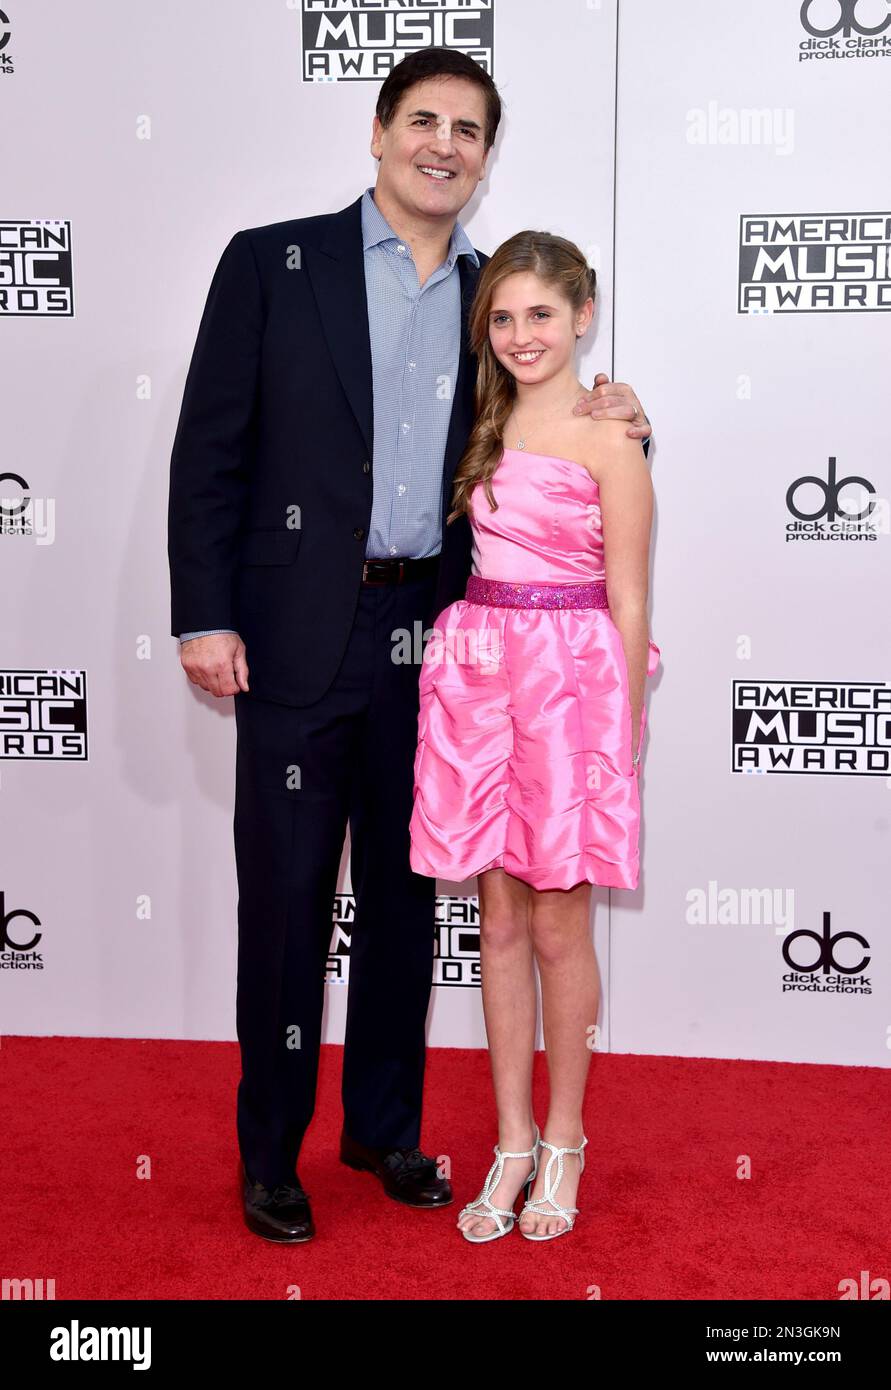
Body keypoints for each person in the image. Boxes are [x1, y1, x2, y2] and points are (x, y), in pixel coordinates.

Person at [167, 46, 653, 1244]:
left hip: (444, 644)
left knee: (404, 896)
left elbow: (560, 465)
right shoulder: (275, 263)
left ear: (487, 160)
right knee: (287, 901)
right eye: (424, 121)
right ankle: (271, 1152)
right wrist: (203, 609)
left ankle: (382, 1125)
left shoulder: (500, 296)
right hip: (288, 630)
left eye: (469, 130)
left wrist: (630, 416)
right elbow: (208, 446)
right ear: (379, 134)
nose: (445, 145)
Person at [409, 230, 660, 1243]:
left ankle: (565, 1138)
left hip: (570, 688)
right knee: (497, 925)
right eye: (503, 318)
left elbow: (633, 596)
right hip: (478, 672)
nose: (521, 335)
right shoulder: (477, 423)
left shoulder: (615, 438)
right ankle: (509, 1141)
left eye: (541, 316)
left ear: (583, 316)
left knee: (561, 927)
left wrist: (621, 728)